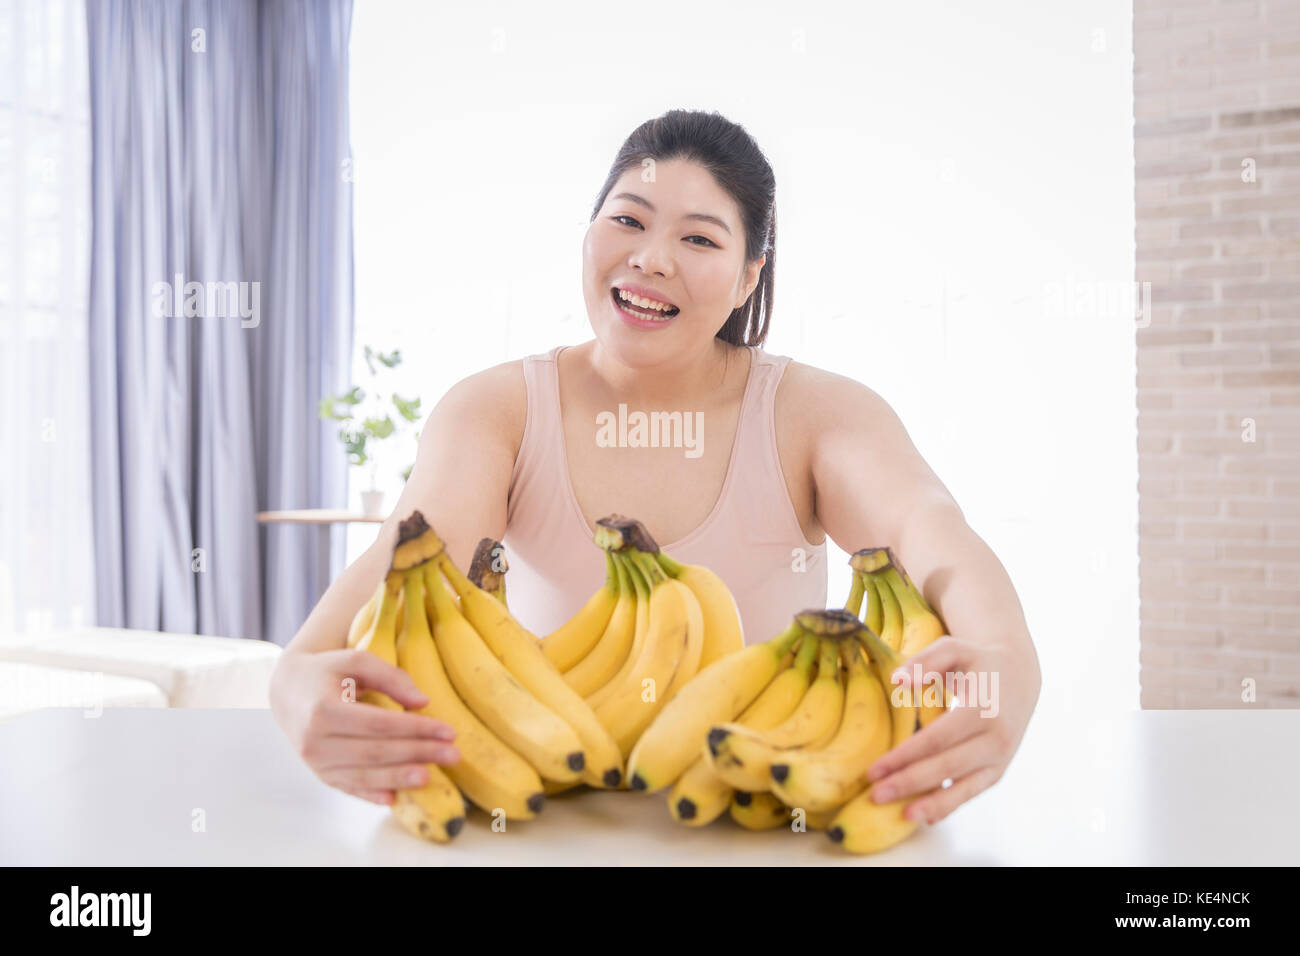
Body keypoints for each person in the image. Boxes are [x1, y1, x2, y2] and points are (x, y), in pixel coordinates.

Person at [270, 109, 1042, 827]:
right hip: (551, 821)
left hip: (766, 823)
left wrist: (1007, 658)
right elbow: (407, 558)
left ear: (749, 275)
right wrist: (299, 674)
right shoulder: (496, 411)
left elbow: (927, 527)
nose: (650, 259)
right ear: (589, 233)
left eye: (700, 240)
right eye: (628, 221)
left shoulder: (816, 413)